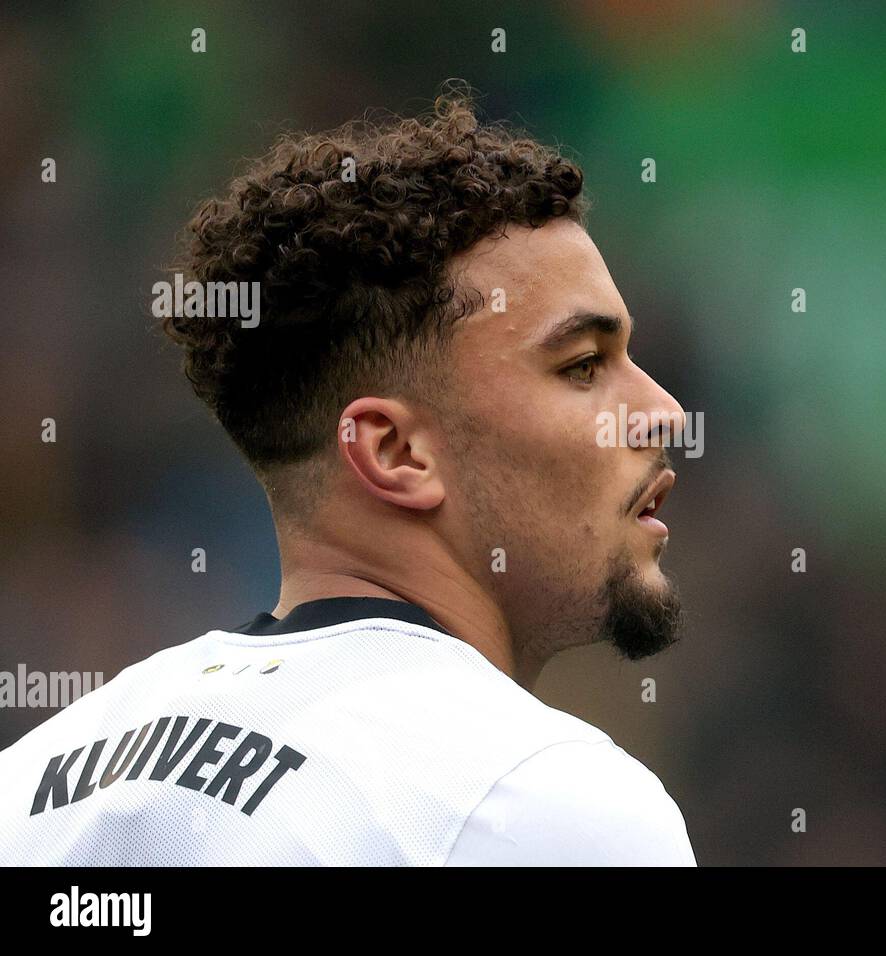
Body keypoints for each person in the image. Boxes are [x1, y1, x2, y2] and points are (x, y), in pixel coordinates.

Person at [0, 91, 696, 865]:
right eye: (583, 366)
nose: (661, 411)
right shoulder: (544, 802)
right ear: (395, 452)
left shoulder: (31, 785)